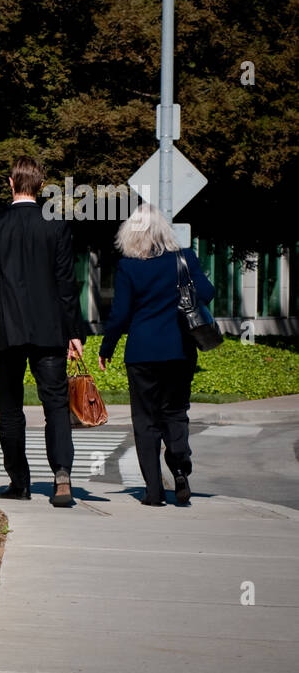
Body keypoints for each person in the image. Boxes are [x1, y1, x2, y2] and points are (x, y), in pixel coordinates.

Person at [0, 156, 86, 507]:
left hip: (6, 330)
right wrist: (74, 332)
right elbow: (67, 283)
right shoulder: (56, 225)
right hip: (49, 330)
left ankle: (19, 482)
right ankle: (62, 475)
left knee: (10, 408)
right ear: (40, 185)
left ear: (10, 183)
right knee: (55, 404)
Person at [98, 204, 214, 506]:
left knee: (145, 419)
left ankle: (152, 490)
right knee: (175, 412)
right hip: (179, 349)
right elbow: (207, 292)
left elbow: (120, 314)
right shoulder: (184, 258)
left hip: (142, 352)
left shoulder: (129, 266)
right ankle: (179, 469)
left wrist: (106, 347)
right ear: (163, 230)